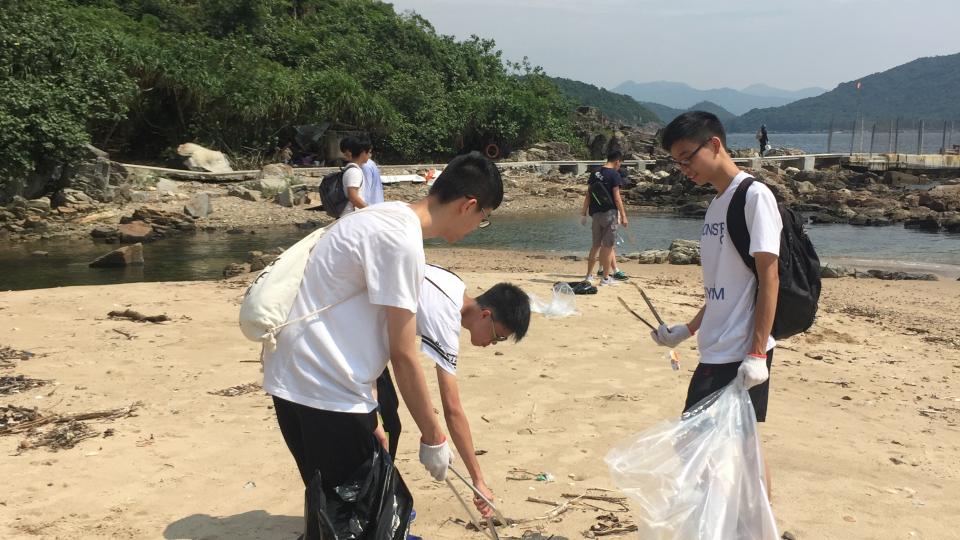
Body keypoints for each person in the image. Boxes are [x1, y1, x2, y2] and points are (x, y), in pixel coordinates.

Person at [261, 151, 503, 534]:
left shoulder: (380, 215)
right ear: (468, 206)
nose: (479, 226)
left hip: (292, 379)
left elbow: (356, 320)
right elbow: (403, 353)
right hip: (325, 387)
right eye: (483, 218)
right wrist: (434, 437)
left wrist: (369, 405)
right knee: (355, 520)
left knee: (333, 506)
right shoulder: (402, 241)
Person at [652, 111, 782, 497]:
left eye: (686, 157)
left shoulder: (754, 197)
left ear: (714, 144)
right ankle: (746, 524)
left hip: (740, 351)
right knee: (733, 446)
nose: (683, 169)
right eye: (676, 162)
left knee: (702, 442)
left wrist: (757, 353)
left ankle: (746, 524)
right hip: (716, 346)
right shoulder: (715, 206)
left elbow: (768, 278)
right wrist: (688, 329)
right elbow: (723, 288)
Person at [375, 265, 530, 518]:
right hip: (353, 335)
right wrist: (478, 480)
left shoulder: (454, 284)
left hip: (373, 335)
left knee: (390, 421)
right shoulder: (447, 317)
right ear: (486, 315)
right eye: (498, 336)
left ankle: (381, 507)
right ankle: (377, 512)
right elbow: (452, 408)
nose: (493, 344)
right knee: (385, 429)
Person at [580, 149, 629, 285]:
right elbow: (617, 198)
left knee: (595, 246)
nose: (619, 166)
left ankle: (588, 276)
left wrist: (583, 213)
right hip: (609, 213)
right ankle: (606, 278)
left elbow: (588, 194)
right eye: (620, 163)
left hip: (595, 214)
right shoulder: (614, 175)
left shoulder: (594, 172)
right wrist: (623, 216)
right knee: (608, 247)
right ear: (617, 161)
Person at [337, 135, 372, 215]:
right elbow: (353, 197)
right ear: (363, 152)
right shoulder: (354, 172)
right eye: (369, 152)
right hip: (351, 216)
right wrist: (369, 210)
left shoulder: (351, 169)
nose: (370, 155)